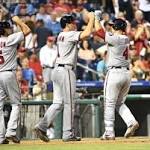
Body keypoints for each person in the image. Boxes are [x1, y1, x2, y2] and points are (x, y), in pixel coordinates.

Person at [34, 12, 95, 142]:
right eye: (73, 23)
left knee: (57, 103)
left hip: (57, 70)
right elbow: (87, 34)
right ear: (67, 24)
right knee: (69, 103)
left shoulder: (61, 35)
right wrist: (92, 18)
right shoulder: (68, 34)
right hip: (66, 70)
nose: (75, 24)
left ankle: (42, 126)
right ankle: (67, 133)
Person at [94, 11, 139, 140]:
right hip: (126, 73)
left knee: (109, 103)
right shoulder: (125, 38)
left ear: (117, 28)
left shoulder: (117, 38)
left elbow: (99, 32)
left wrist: (96, 18)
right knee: (119, 102)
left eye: (113, 26)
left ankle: (109, 131)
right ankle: (131, 121)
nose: (111, 27)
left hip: (115, 73)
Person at [0, 16, 31, 144]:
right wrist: (18, 20)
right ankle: (11, 131)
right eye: (8, 27)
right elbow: (27, 30)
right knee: (16, 103)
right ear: (4, 30)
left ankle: (1, 137)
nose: (10, 29)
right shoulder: (10, 39)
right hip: (8, 73)